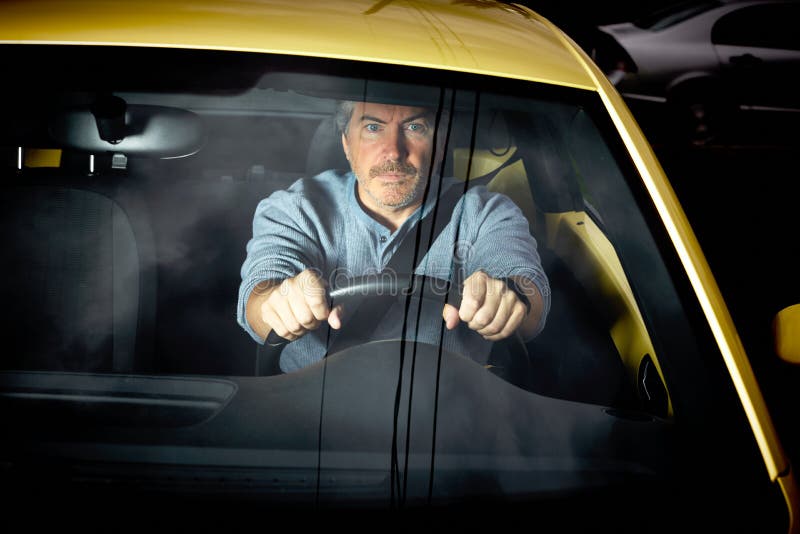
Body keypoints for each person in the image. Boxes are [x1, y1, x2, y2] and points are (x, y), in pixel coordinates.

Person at [237, 98, 550, 373]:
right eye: (373, 128)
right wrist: (279, 302)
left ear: (440, 145)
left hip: (449, 418)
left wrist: (508, 296)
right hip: (310, 412)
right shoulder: (297, 207)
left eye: (415, 128)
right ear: (347, 143)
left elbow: (528, 289)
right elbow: (259, 295)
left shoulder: (485, 211)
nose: (393, 151)